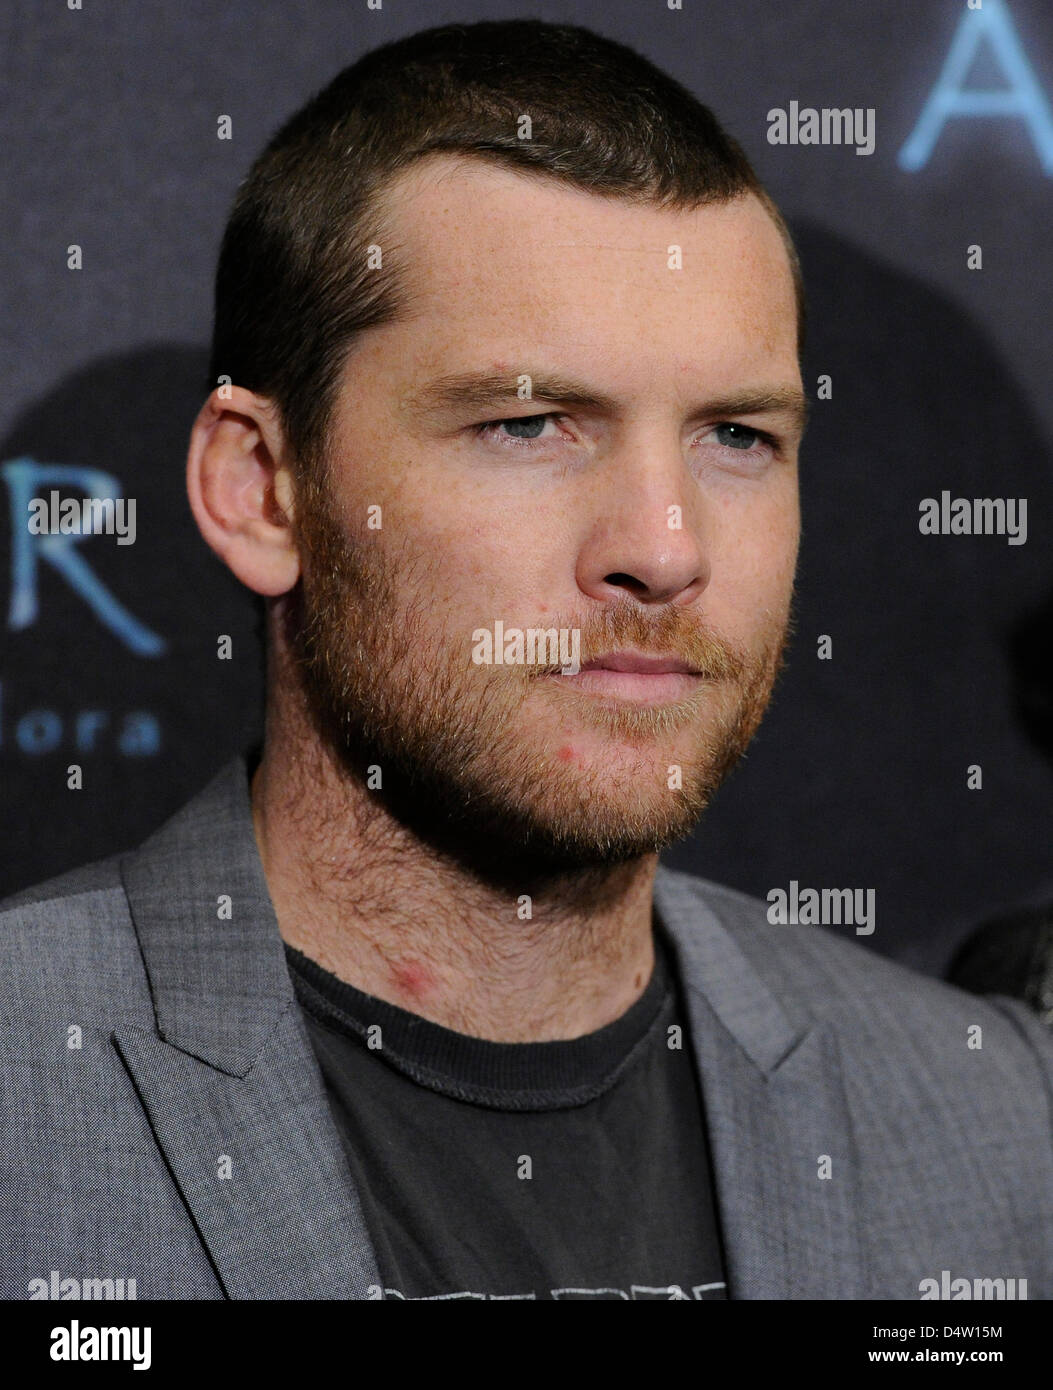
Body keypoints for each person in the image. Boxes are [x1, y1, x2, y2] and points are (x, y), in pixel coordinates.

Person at [2, 20, 1050, 1302]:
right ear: (264, 491)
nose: (665, 550)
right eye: (530, 424)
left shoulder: (988, 1111)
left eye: (735, 436)